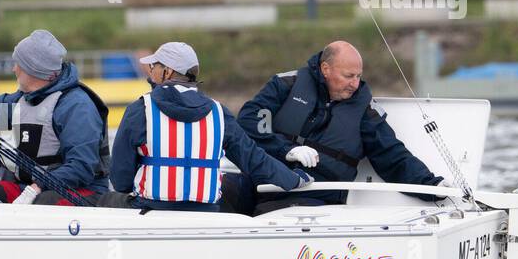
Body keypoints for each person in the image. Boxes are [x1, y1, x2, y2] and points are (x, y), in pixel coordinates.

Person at [233, 40, 444, 213]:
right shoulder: (285, 85)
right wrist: (286, 150)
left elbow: (393, 155)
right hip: (265, 185)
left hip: (317, 197)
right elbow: (248, 122)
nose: (355, 83)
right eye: (348, 76)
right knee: (227, 189)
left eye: (358, 76)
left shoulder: (365, 112)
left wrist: (432, 186)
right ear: (326, 69)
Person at [102, 42, 310, 212]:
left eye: (153, 66)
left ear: (167, 72)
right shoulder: (220, 113)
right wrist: (294, 180)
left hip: (151, 209)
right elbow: (255, 160)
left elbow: (120, 178)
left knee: (102, 200)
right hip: (206, 211)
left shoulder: (140, 110)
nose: (150, 72)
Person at [0, 29, 110, 206]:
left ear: (33, 70)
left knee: (45, 203)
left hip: (81, 191)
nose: (14, 69)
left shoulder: (77, 106)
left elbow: (81, 167)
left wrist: (37, 187)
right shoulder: (25, 97)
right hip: (34, 187)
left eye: (18, 64)